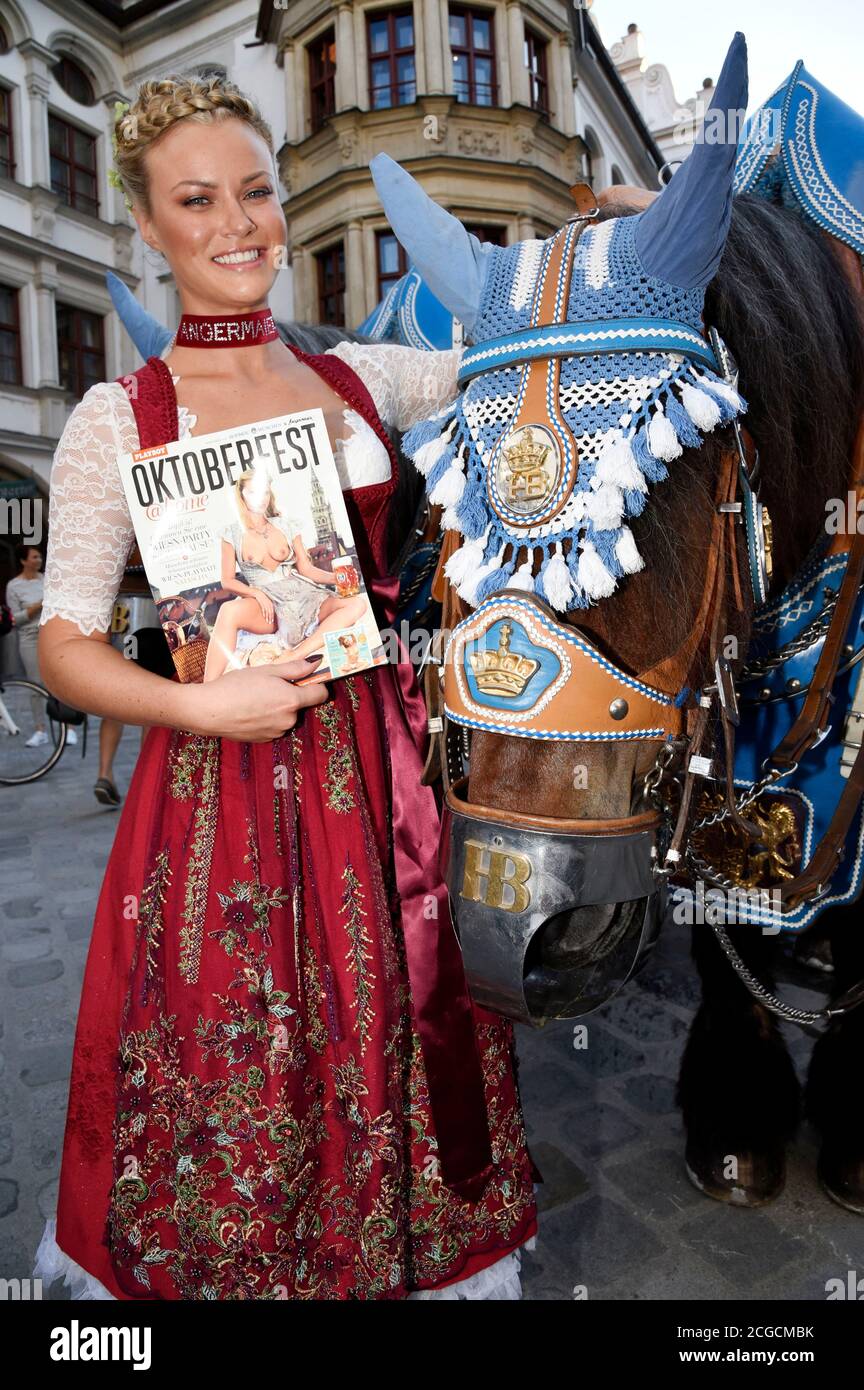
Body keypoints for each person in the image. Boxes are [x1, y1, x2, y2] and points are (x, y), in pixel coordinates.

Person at [33, 73, 538, 1302]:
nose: (239, 223)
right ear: (148, 228)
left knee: (395, 1025)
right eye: (197, 200)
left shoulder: (369, 379)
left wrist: (607, 229)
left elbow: (517, 351)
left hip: (381, 775)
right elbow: (65, 644)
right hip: (214, 792)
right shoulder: (118, 417)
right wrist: (199, 705)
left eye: (256, 191)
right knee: (234, 1043)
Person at [203, 469, 365, 681]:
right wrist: (257, 594)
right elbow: (227, 580)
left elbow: (306, 569)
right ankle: (208, 688)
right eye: (252, 492)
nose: (260, 499)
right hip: (266, 601)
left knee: (357, 604)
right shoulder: (231, 533)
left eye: (264, 493)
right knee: (228, 610)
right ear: (241, 495)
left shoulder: (286, 525)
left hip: (303, 594)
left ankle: (296, 654)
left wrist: (336, 578)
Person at [6, 544, 77, 747]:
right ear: (23, 561)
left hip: (53, 635)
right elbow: (14, 619)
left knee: (62, 681)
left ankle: (69, 728)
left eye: (40, 557)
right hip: (29, 639)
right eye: (35, 557)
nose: (39, 560)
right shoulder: (14, 586)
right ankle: (40, 730)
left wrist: (32, 608)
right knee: (35, 686)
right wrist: (39, 605)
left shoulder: (49, 580)